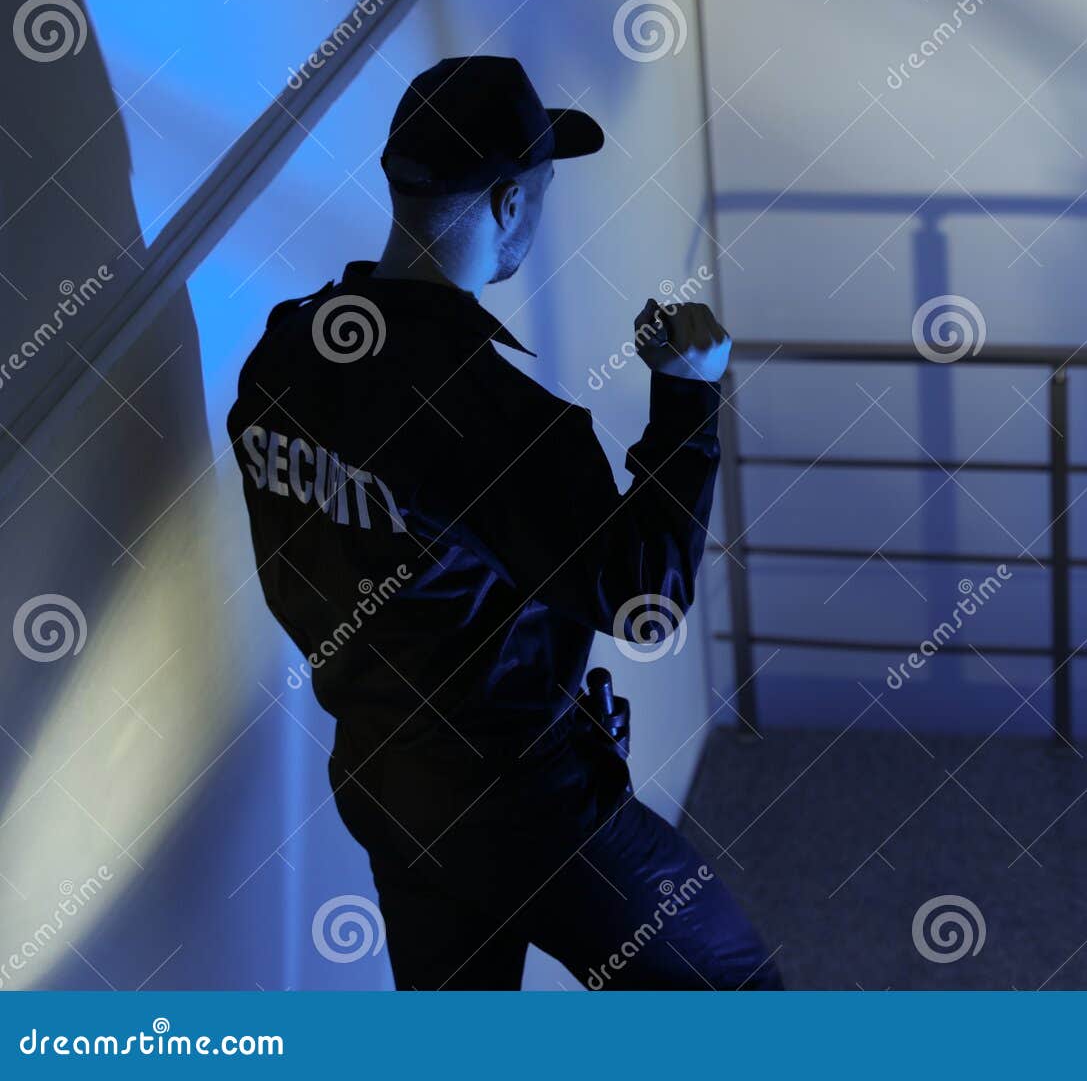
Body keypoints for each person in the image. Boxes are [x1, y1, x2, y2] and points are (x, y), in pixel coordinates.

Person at [227, 56, 781, 990]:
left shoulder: (283, 355)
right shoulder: (504, 420)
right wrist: (687, 396)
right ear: (509, 205)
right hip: (528, 803)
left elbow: (356, 565)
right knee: (737, 990)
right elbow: (646, 599)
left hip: (385, 778)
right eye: (541, 191)